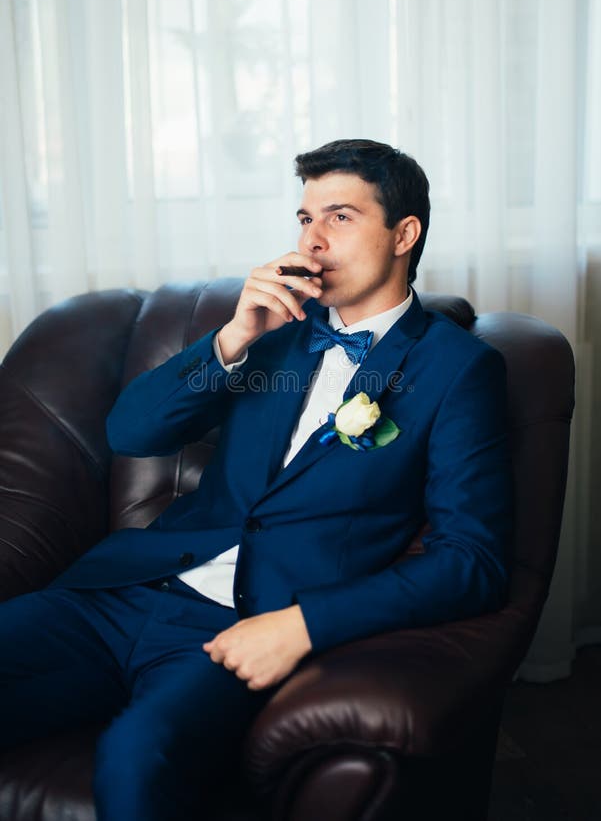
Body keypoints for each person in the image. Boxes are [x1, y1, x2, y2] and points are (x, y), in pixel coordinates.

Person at [0, 139, 513, 820]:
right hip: (120, 597)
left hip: (243, 628)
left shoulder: (456, 370)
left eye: (338, 217)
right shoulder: (273, 332)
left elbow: (470, 560)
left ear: (403, 233)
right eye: (303, 219)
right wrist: (231, 337)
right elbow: (132, 433)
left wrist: (302, 626)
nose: (313, 240)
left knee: (135, 760)